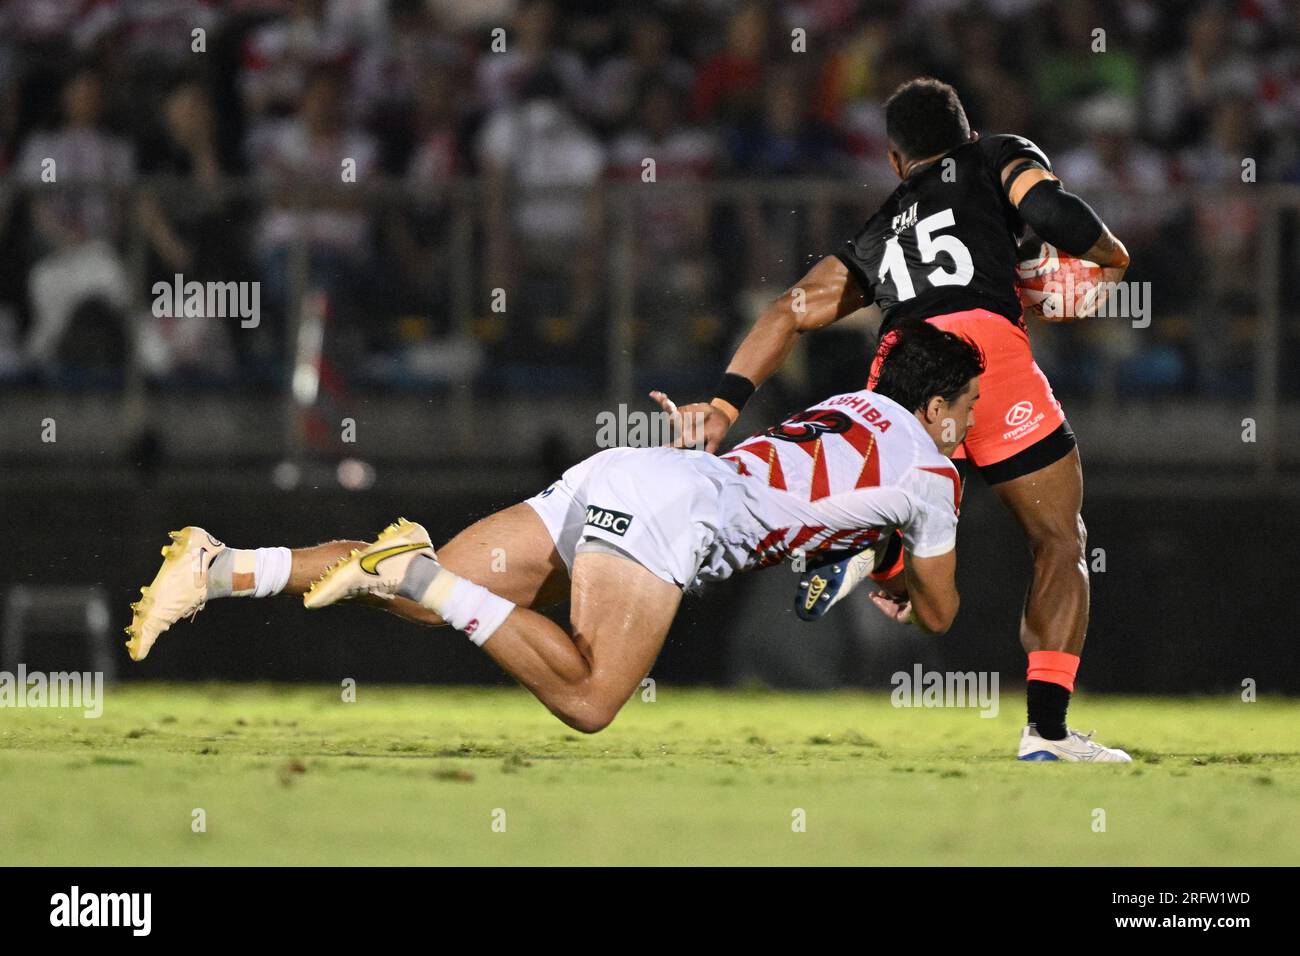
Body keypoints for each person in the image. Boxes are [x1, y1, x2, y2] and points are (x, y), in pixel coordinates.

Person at [123, 323, 1005, 741]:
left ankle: (217, 566)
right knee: (588, 699)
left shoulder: (848, 405)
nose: (968, 428)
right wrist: (895, 568)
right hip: (670, 516)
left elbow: (820, 508)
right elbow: (940, 611)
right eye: (965, 409)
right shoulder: (931, 474)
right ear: (933, 406)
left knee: (428, 603)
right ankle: (420, 571)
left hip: (621, 471)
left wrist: (865, 558)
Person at [670, 77, 1132, 762]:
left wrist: (724, 404)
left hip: (903, 373)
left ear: (894, 161)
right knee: (1060, 540)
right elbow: (1049, 208)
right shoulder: (993, 156)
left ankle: (880, 550)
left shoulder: (882, 226)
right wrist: (1111, 257)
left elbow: (790, 310)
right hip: (987, 357)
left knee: (923, 587)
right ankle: (1047, 733)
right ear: (967, 133)